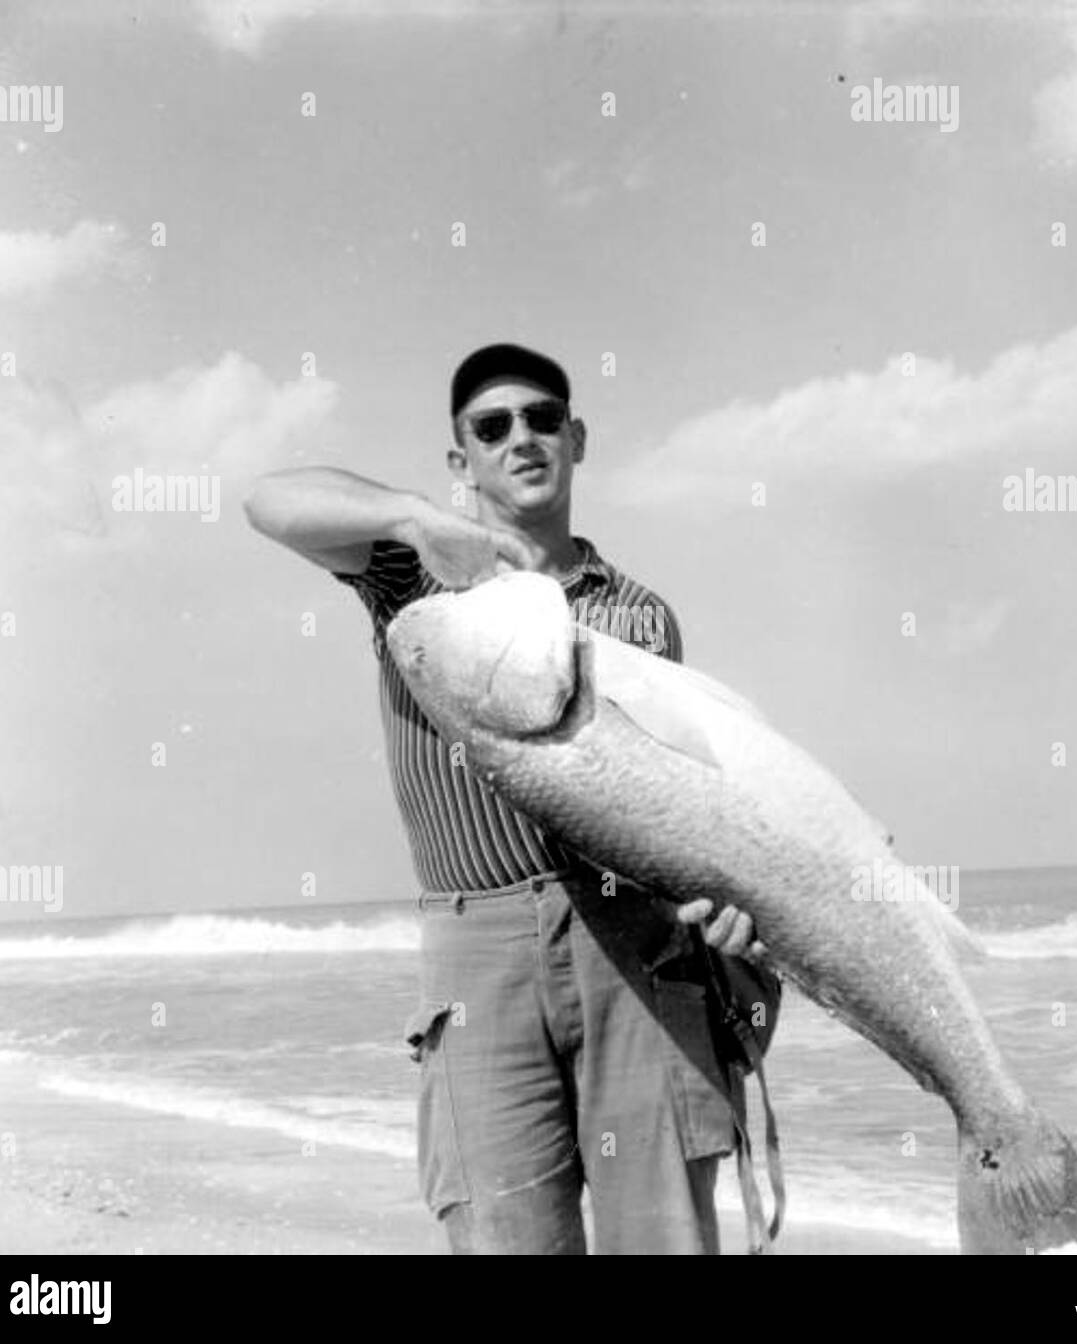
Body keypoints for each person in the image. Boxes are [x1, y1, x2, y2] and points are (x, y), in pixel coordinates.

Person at [245, 343, 774, 1254]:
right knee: (504, 1239)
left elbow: (680, 791)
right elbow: (268, 502)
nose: (521, 437)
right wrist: (414, 520)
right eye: (492, 427)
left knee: (667, 1239)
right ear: (462, 462)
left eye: (541, 418)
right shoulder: (407, 574)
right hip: (477, 952)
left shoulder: (643, 615)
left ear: (575, 438)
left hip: (638, 950)